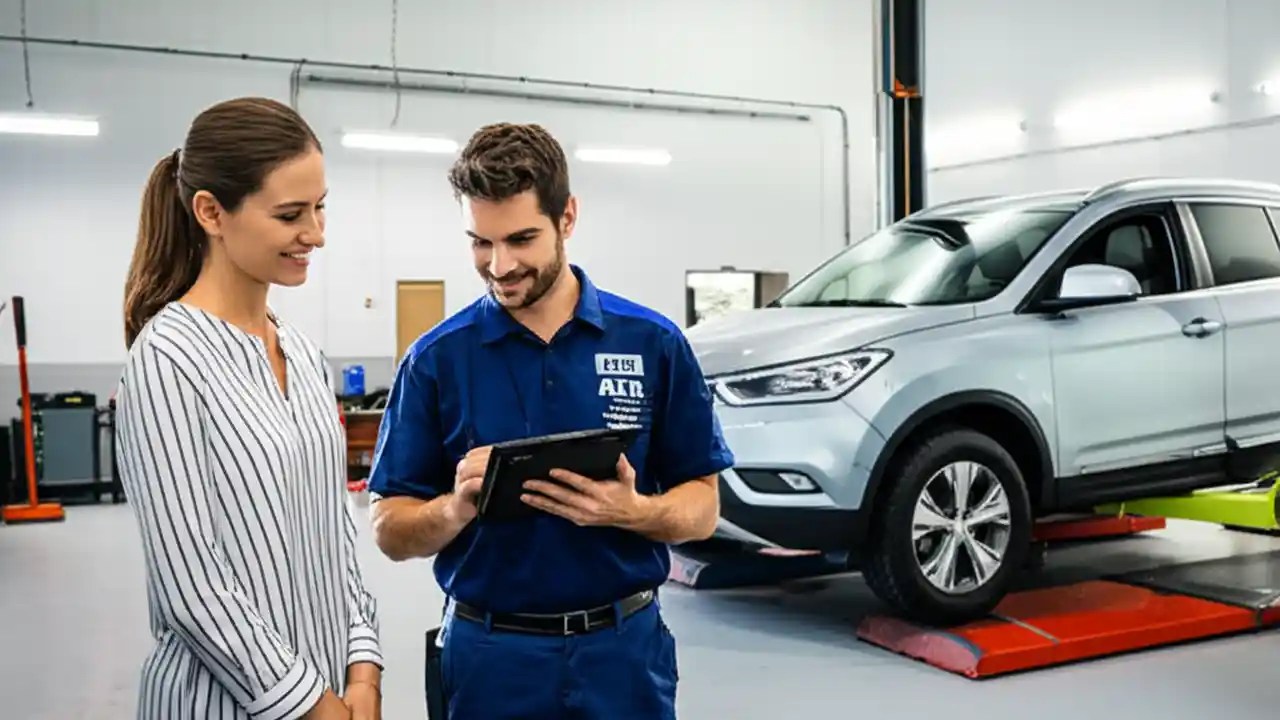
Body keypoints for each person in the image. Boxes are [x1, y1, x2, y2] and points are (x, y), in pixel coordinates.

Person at [367, 122, 735, 719]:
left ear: (567, 218)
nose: (500, 265)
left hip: (623, 653)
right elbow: (389, 527)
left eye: (521, 239)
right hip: (491, 657)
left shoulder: (653, 344)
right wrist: (453, 508)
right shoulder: (437, 359)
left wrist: (634, 512)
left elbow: (704, 506)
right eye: (480, 242)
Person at [114, 96, 382, 720]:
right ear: (211, 212)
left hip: (334, 693)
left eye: (320, 208)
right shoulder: (168, 359)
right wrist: (314, 708)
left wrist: (363, 673)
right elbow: (192, 587)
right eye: (291, 214)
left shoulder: (304, 357)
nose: (315, 233)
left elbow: (336, 539)